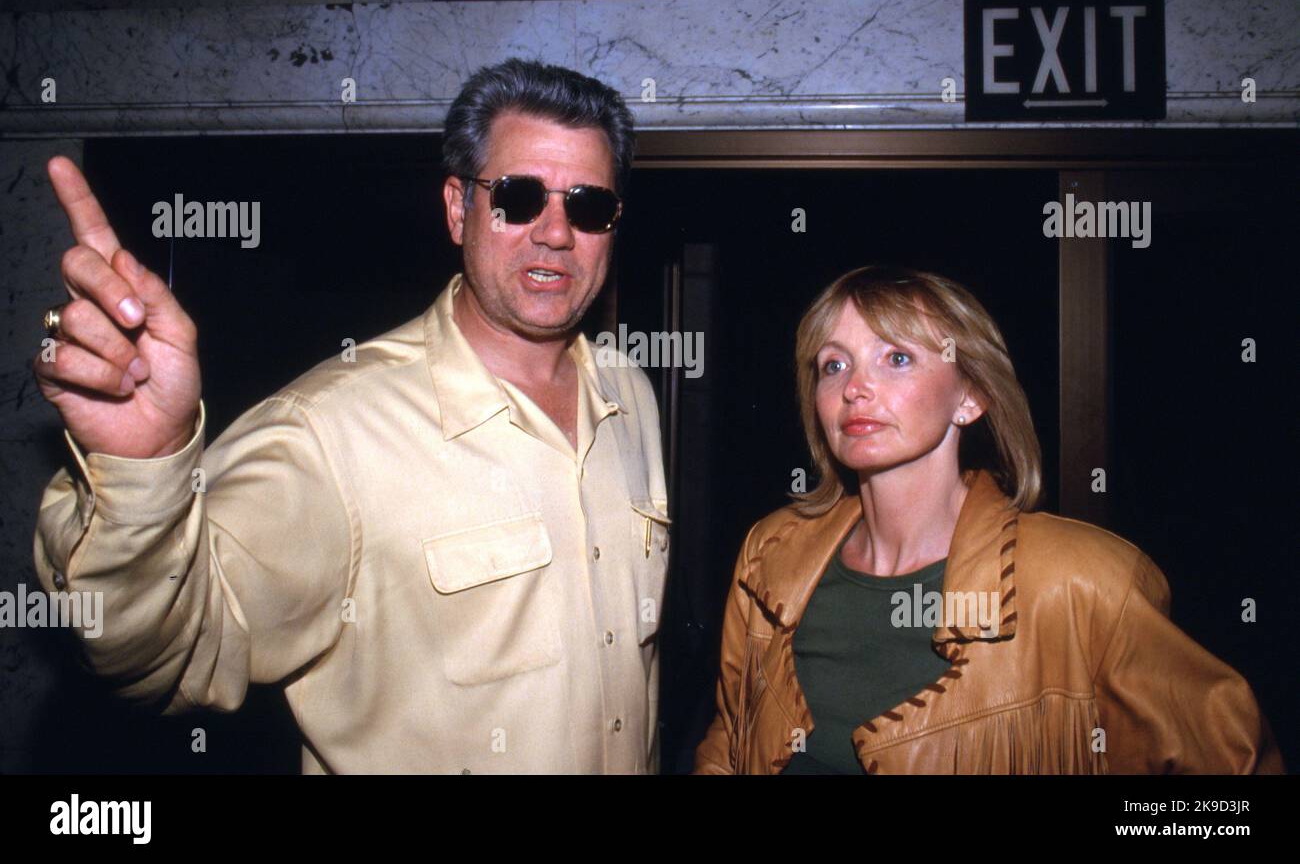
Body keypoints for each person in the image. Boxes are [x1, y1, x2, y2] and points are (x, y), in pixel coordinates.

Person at [31, 58, 671, 774]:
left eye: (587, 206)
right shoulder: (331, 431)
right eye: (519, 197)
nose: (555, 233)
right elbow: (168, 649)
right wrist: (144, 465)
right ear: (459, 207)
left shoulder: (630, 395)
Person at [694, 265, 1281, 774]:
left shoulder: (1086, 584)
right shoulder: (770, 556)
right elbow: (728, 743)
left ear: (969, 396)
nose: (856, 388)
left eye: (896, 358)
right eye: (833, 365)